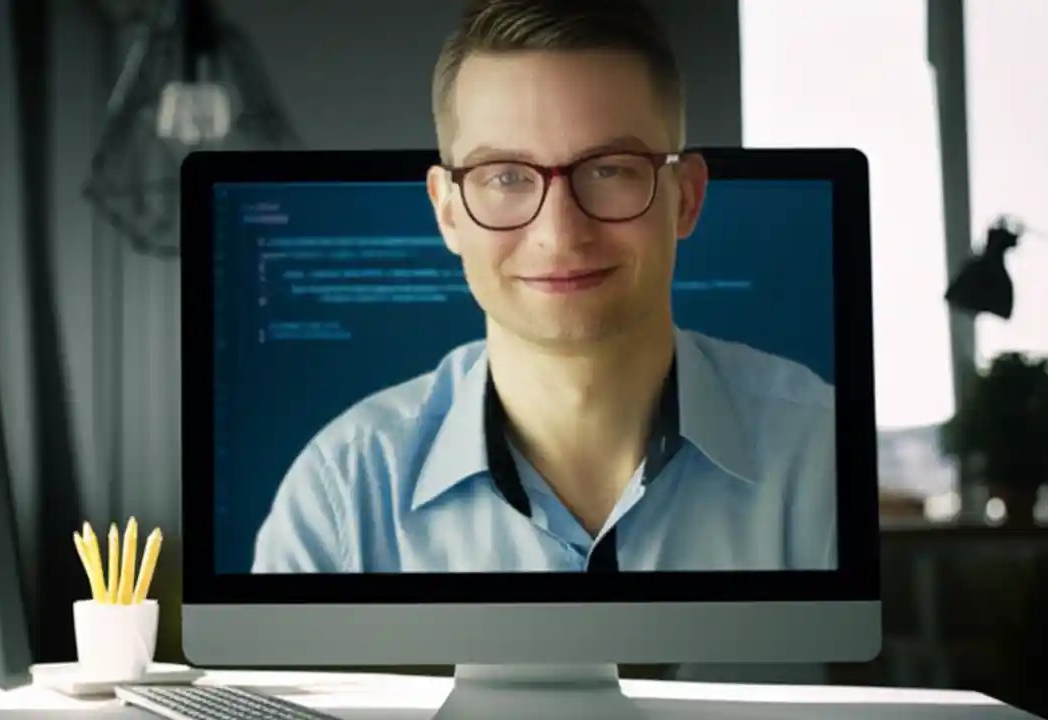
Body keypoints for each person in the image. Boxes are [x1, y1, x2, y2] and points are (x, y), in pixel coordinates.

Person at [252, 0, 836, 573]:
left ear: (686, 197)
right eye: (505, 176)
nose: (559, 234)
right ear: (447, 212)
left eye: (609, 169)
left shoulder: (822, 453)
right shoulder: (341, 491)